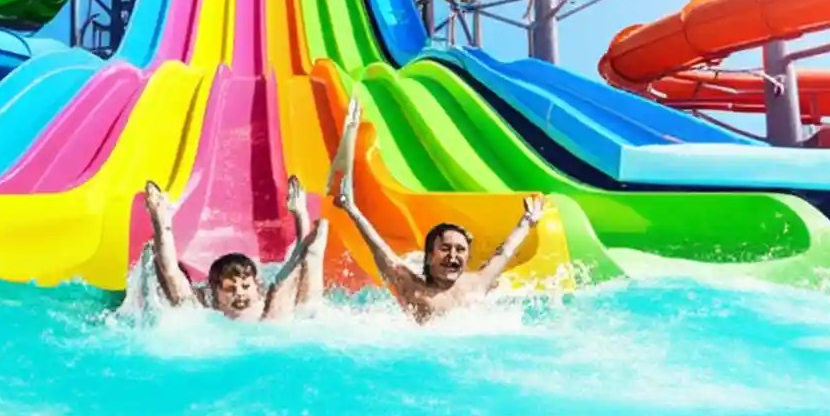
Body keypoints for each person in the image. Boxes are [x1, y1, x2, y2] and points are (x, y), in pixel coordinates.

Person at [330, 96, 546, 324]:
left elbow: (504, 252)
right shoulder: (414, 291)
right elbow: (383, 254)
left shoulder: (478, 283)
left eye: (460, 250)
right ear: (430, 256)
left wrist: (527, 222)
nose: (453, 256)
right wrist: (352, 209)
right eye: (445, 249)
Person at [142, 173, 329, 322]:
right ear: (215, 292)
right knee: (181, 301)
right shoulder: (203, 312)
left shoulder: (265, 304)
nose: (239, 293)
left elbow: (288, 288)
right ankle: (161, 218)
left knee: (290, 308)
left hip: (279, 313)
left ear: (257, 286)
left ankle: (305, 232)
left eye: (245, 286)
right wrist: (159, 221)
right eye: (230, 289)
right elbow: (171, 272)